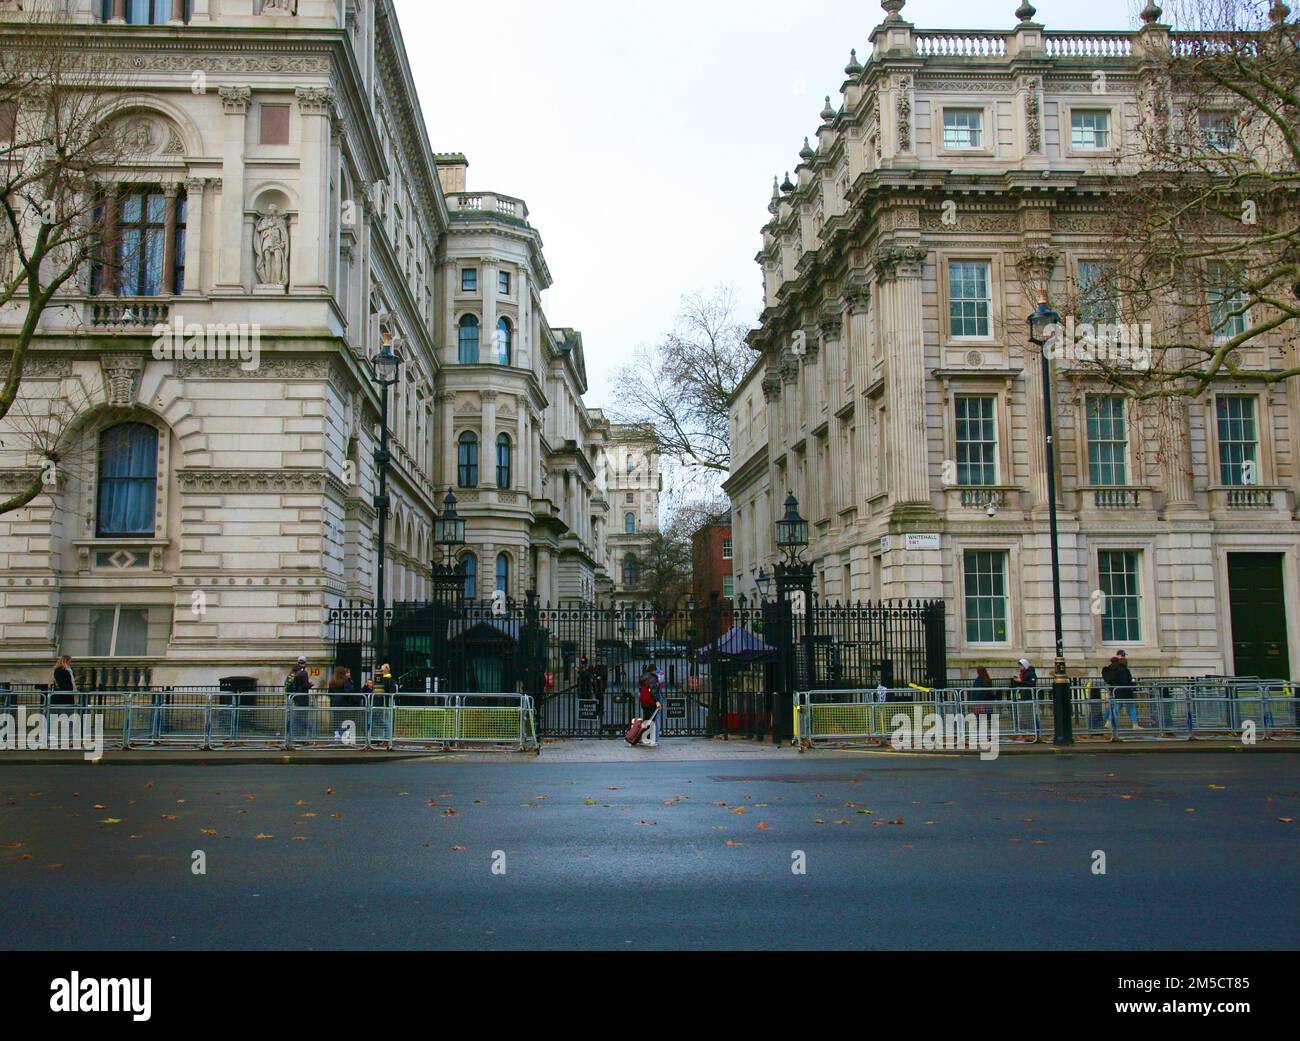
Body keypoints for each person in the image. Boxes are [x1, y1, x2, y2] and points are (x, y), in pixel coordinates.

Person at [1101, 650, 1141, 730]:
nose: (1124, 657)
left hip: (1116, 690)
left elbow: (1111, 679)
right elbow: (1125, 680)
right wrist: (1133, 684)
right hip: (1124, 691)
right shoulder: (1122, 669)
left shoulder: (1111, 667)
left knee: (1116, 707)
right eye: (1123, 656)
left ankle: (1107, 721)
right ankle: (1134, 724)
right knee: (1125, 707)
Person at [637, 663, 661, 747]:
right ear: (653, 670)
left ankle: (644, 739)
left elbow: (641, 689)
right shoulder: (653, 677)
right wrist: (657, 701)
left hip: (644, 701)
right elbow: (653, 690)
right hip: (651, 702)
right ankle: (651, 740)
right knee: (652, 721)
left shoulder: (643, 677)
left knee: (646, 720)